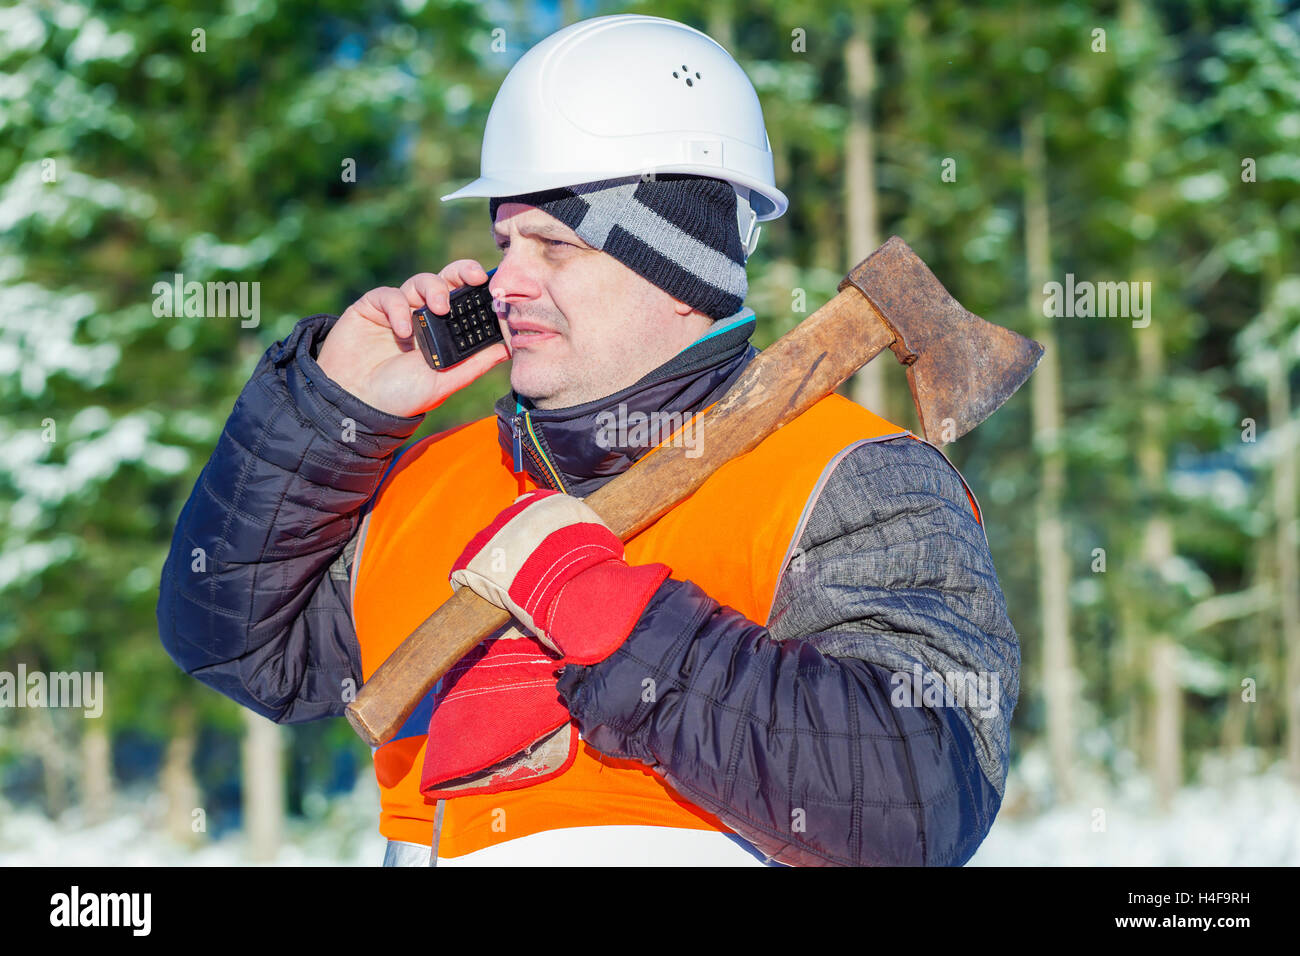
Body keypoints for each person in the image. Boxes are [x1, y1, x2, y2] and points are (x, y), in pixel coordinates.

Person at [157, 14, 1020, 867]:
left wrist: (622, 625)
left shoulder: (847, 481)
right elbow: (234, 645)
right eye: (503, 242)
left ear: (679, 273)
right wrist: (331, 410)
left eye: (555, 246)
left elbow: (924, 797)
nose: (505, 282)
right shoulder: (432, 483)